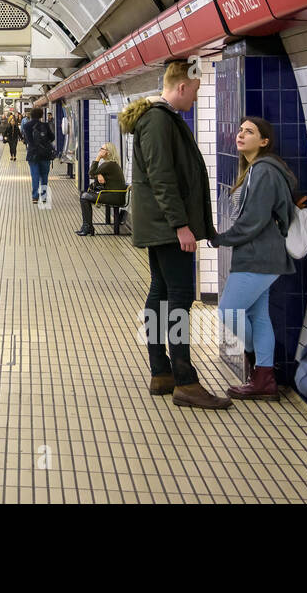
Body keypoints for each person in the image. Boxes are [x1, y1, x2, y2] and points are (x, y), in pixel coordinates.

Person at [118, 60, 229, 409]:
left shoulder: (160, 119)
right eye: (195, 92)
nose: (196, 98)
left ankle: (161, 370)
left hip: (162, 226)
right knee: (179, 299)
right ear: (182, 86)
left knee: (162, 293)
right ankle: (185, 380)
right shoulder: (158, 121)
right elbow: (161, 176)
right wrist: (180, 225)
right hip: (168, 229)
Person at [211, 117, 298, 400]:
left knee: (228, 310)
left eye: (249, 132)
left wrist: (221, 238)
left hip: (260, 256)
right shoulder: (254, 170)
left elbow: (254, 220)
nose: (241, 134)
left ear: (264, 141)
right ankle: (264, 378)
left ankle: (260, 366)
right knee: (259, 317)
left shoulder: (263, 171)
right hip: (259, 254)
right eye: (240, 130)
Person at [75, 142, 126, 236]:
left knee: (84, 197)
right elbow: (93, 174)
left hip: (113, 195)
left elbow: (90, 173)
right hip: (115, 195)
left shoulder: (108, 165)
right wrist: (98, 174)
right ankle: (87, 226)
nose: (100, 151)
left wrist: (98, 158)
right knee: (84, 195)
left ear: (108, 152)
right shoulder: (111, 164)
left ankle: (87, 227)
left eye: (103, 149)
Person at [22, 107, 54, 204]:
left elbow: (27, 140)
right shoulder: (45, 125)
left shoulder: (27, 126)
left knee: (35, 175)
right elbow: (52, 137)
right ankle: (43, 197)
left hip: (33, 154)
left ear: (31, 115)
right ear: (41, 115)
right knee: (44, 176)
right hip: (45, 154)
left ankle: (35, 197)